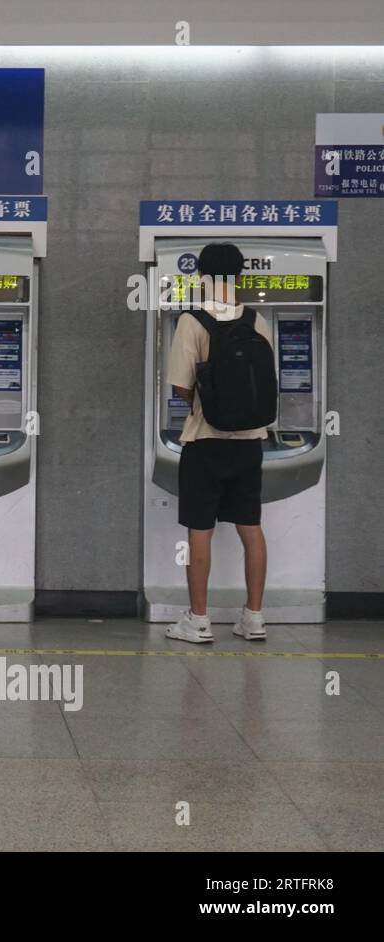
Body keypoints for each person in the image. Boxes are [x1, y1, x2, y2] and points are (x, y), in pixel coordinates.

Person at [165, 242, 271, 644]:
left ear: (202, 277)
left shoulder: (193, 321)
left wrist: (206, 408)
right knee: (251, 528)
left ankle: (198, 620)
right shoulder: (257, 321)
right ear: (241, 276)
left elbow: (180, 384)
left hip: (205, 442)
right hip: (250, 443)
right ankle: (255, 617)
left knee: (200, 530)